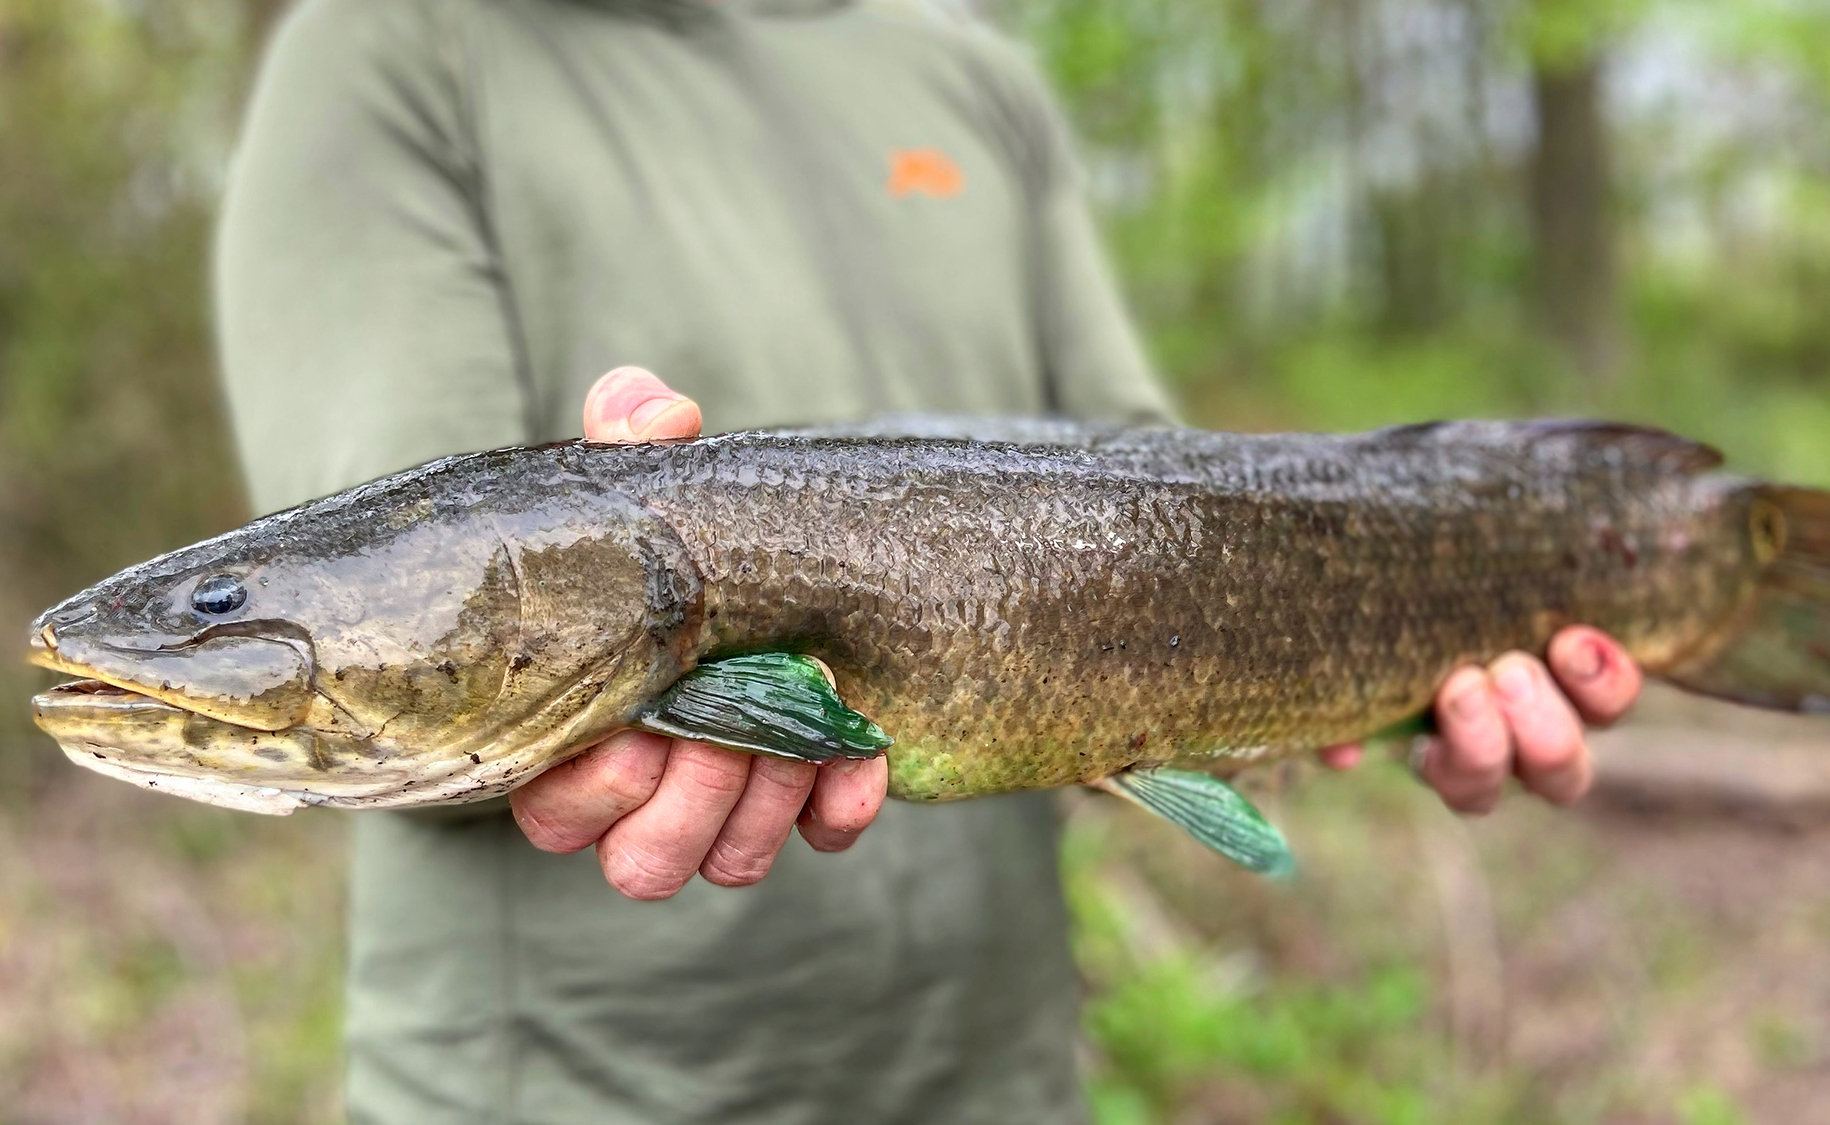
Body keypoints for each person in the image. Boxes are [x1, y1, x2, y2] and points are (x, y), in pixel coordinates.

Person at [214, 0, 1643, 1121]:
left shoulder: (970, 75)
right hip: (582, 1093)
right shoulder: (388, 51)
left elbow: (1154, 492)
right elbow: (387, 628)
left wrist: (1364, 684)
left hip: (1001, 1069)